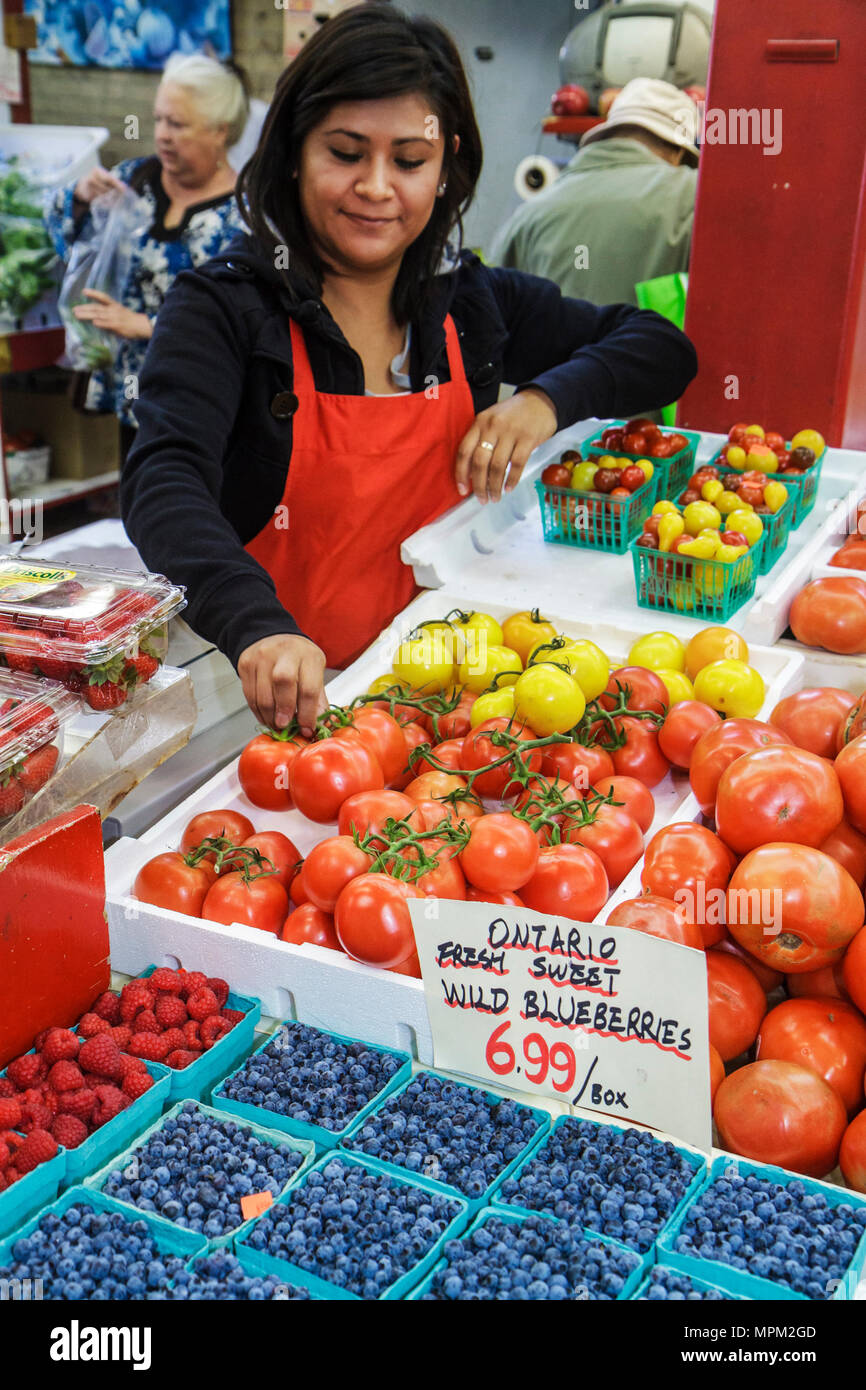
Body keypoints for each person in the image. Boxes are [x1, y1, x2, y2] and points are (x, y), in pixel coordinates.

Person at [121, 4, 697, 736]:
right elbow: (163, 480)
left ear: (446, 165)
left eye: (409, 160)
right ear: (294, 150)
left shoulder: (468, 301)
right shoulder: (226, 306)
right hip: (270, 696)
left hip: (451, 693)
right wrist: (254, 621)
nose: (376, 186)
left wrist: (546, 402)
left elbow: (660, 348)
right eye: (346, 152)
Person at [45, 52, 249, 460]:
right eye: (158, 119)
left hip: (201, 402)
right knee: (137, 500)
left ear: (219, 132)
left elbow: (245, 317)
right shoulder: (132, 181)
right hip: (132, 393)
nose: (162, 135)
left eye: (178, 124)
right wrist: (81, 198)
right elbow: (61, 237)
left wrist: (149, 326)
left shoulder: (243, 215)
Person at [489, 78, 699, 306]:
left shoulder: (527, 215)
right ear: (679, 153)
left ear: (608, 135)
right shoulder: (694, 194)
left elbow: (487, 314)